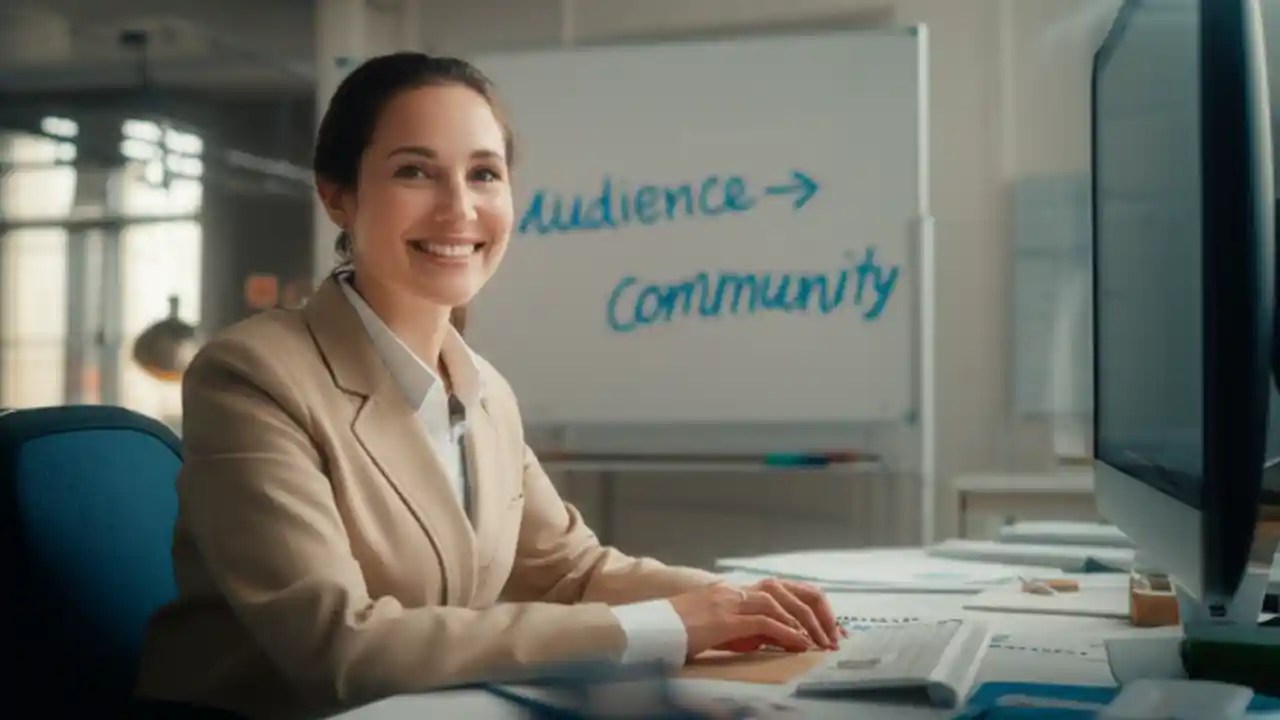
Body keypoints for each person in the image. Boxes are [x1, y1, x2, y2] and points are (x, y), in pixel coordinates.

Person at [134, 52, 844, 719]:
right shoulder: (254, 375)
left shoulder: (483, 390)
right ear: (338, 196)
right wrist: (667, 625)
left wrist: (737, 602)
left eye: (484, 173)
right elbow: (339, 646)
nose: (459, 209)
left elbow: (571, 571)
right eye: (415, 172)